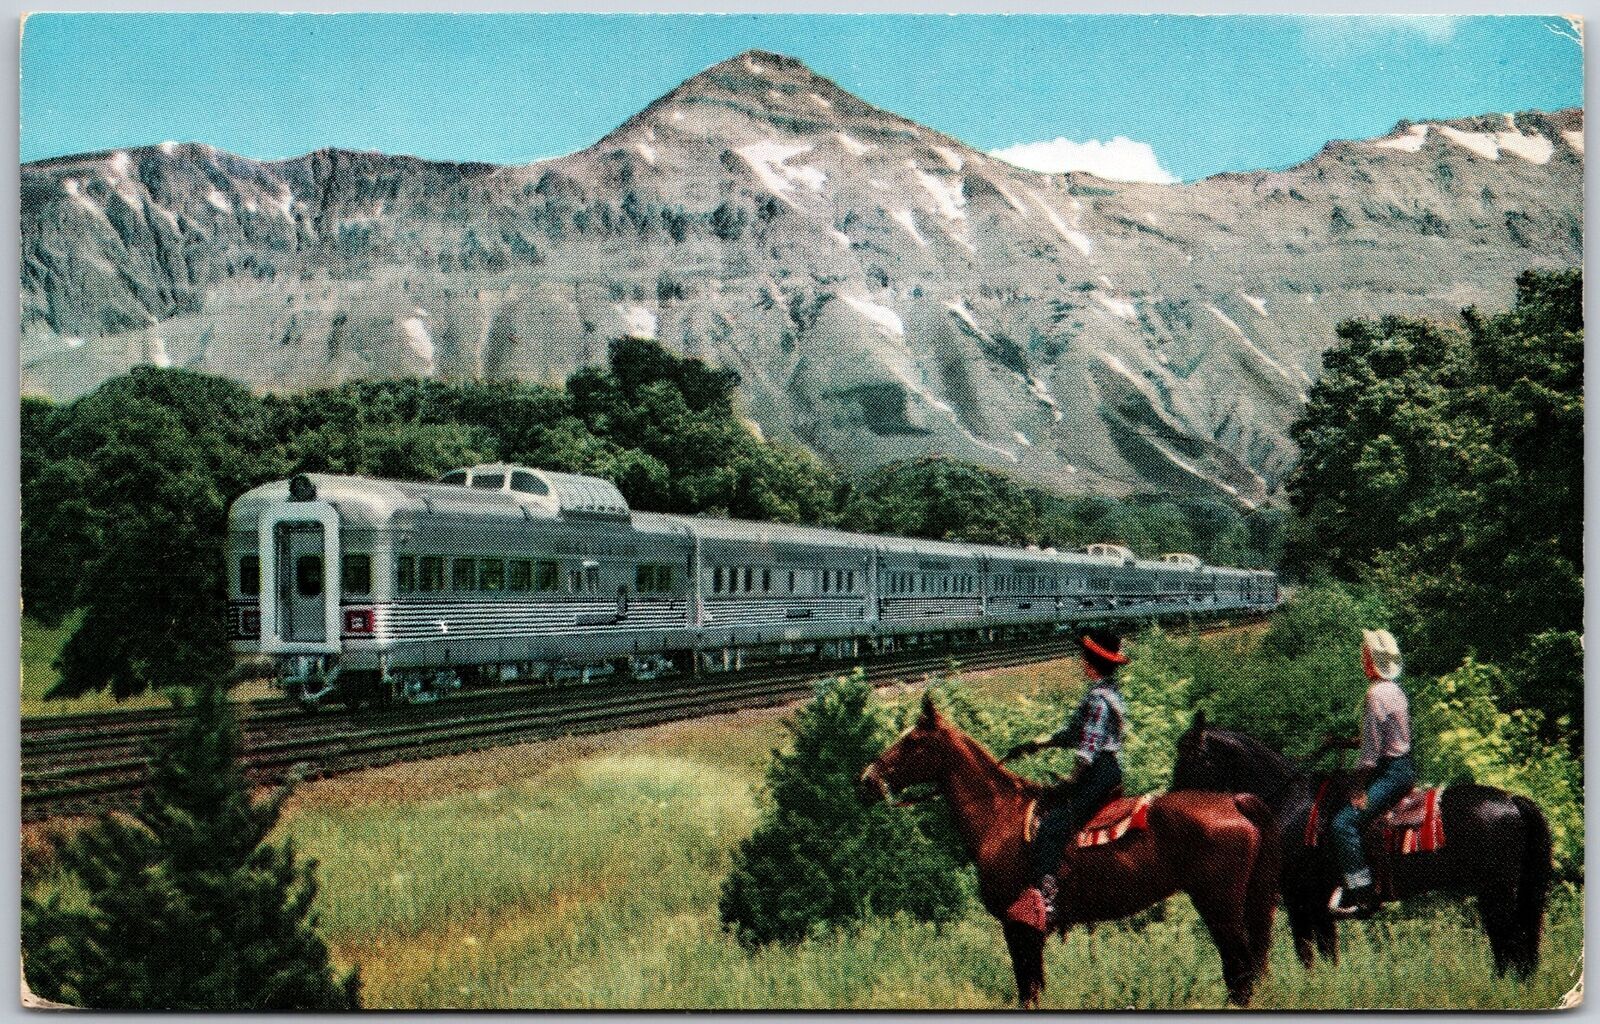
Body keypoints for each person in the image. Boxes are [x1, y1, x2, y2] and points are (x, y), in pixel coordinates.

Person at [1001, 627, 1129, 931]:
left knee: (1052, 827)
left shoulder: (1098, 700)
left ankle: (1048, 903)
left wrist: (1073, 779)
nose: (1079, 662)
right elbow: (1072, 734)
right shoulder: (1107, 693)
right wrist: (1037, 743)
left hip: (1098, 771)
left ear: (1090, 662)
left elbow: (1088, 746)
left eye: (1082, 657)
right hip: (1106, 768)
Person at [1327, 628, 1415, 918]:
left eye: (1364, 654)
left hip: (1389, 773)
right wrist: (1346, 742)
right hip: (1404, 767)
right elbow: (1388, 736)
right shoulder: (1395, 690)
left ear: (1371, 661)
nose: (1362, 659)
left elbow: (1370, 756)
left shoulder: (1375, 694)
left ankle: (1363, 896)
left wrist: (1358, 787)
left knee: (1343, 824)